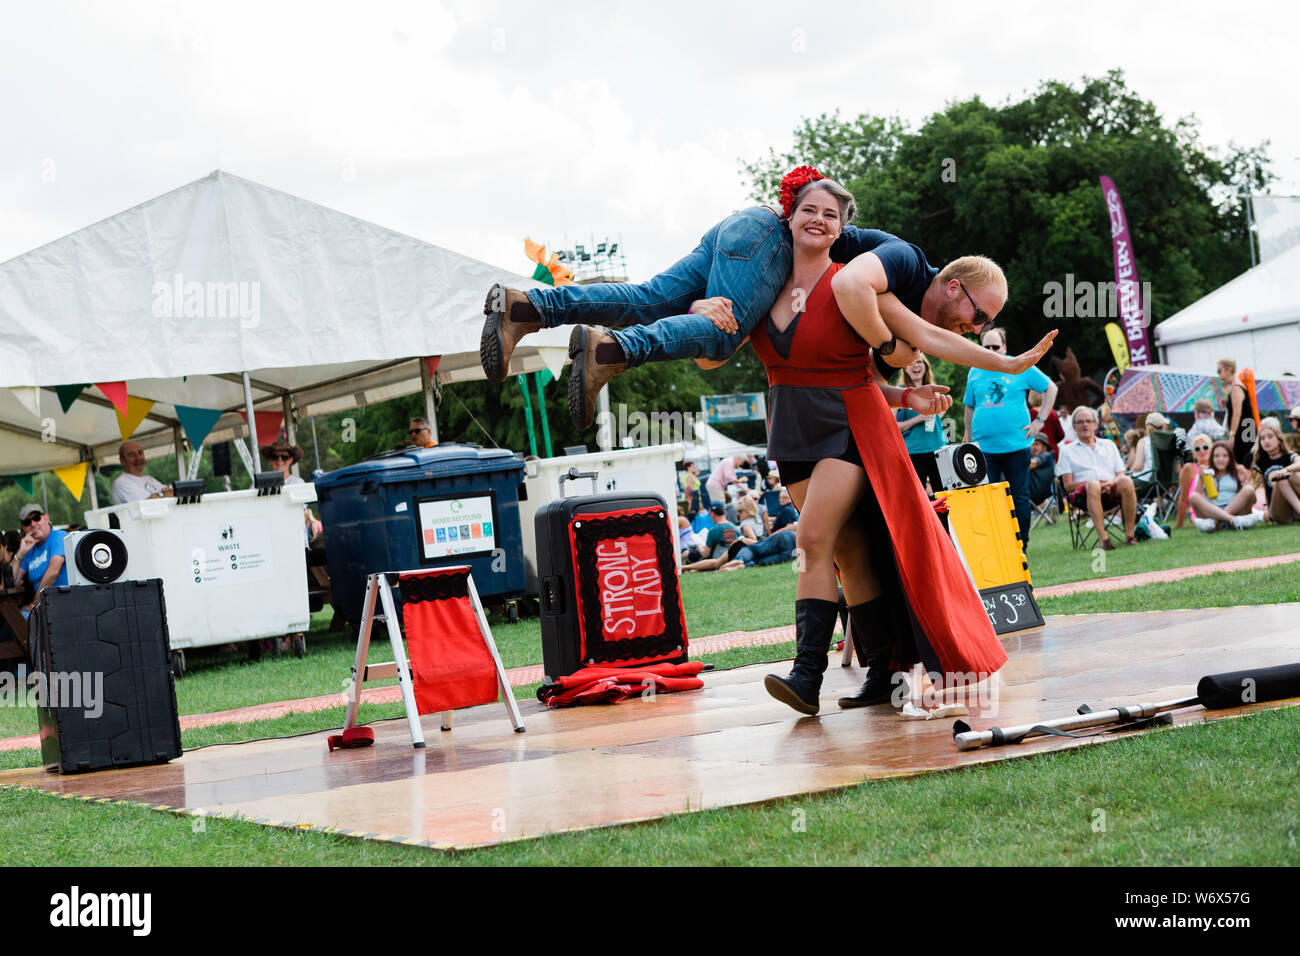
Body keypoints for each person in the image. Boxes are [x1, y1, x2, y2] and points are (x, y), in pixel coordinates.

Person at [696, 172, 1019, 715]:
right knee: (849, 552)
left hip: (849, 429)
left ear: (845, 228)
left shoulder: (860, 284)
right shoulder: (758, 286)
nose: (819, 222)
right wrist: (705, 309)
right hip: (791, 428)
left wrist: (1004, 361)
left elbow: (927, 340)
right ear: (788, 218)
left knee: (812, 539)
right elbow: (710, 358)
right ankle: (883, 674)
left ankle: (806, 677)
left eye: (832, 216)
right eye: (809, 212)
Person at [483, 166, 1056, 429]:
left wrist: (902, 397)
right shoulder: (904, 264)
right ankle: (609, 351)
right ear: (954, 286)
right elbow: (913, 327)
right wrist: (1005, 361)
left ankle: (529, 308)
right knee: (721, 329)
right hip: (764, 239)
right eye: (979, 315)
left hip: (745, 230)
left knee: (649, 298)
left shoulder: (900, 304)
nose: (976, 327)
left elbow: (858, 374)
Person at [963, 326, 1058, 550]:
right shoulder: (975, 370)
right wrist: (968, 435)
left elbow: (1051, 388)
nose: (991, 350)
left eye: (995, 346)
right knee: (989, 500)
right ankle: (998, 547)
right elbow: (969, 406)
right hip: (985, 447)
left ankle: (1020, 547)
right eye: (986, 347)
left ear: (1004, 348)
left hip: (1017, 445)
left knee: (1019, 498)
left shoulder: (1018, 365)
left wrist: (1040, 421)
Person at [1055, 406, 1139, 549]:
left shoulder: (1109, 445)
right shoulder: (1066, 451)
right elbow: (1068, 485)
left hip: (1111, 488)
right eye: (1080, 422)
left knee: (1126, 481)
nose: (1085, 424)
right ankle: (1104, 540)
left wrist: (1111, 482)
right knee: (1093, 484)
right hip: (1083, 494)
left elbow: (1120, 473)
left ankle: (1130, 535)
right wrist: (1093, 483)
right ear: (1074, 427)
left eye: (1088, 421)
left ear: (1095, 424)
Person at [894, 354, 945, 492]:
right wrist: (918, 418)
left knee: (944, 496)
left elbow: (940, 417)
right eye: (912, 362)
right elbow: (892, 427)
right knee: (915, 495)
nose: (916, 365)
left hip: (938, 451)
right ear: (905, 368)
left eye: (919, 362)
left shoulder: (934, 391)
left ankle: (941, 516)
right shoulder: (898, 392)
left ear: (925, 367)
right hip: (913, 453)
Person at [9, 505, 69, 616]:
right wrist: (20, 553)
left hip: (63, 603)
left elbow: (53, 572)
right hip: (45, 608)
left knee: (17, 621)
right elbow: (13, 582)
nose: (32, 524)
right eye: (27, 522)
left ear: (46, 517)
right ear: (23, 528)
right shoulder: (30, 551)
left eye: (36, 518)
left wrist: (34, 605)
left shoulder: (58, 536)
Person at [1188, 439, 1260, 531]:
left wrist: (1243, 482)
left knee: (1249, 489)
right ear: (1212, 458)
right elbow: (1196, 501)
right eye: (1216, 456)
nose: (1220, 459)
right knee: (1193, 496)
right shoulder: (1207, 474)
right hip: (1211, 513)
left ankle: (1216, 522)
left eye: (1225, 456)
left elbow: (1253, 500)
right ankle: (1231, 520)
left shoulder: (1236, 473)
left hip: (1234, 512)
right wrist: (1201, 478)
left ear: (1230, 458)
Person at [1252, 418, 1300, 524]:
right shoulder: (1260, 462)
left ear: (1279, 439)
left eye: (1270, 437)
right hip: (1279, 512)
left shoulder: (1289, 457)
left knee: (1294, 475)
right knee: (1281, 481)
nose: (1266, 441)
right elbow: (1252, 484)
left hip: (1295, 505)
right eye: (1262, 438)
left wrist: (1286, 469)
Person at [1217, 358, 1254, 466]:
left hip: (1245, 429)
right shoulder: (1232, 386)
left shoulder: (1236, 387)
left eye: (1219, 370)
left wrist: (1232, 434)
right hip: (1246, 427)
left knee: (1244, 461)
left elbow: (1237, 413)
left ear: (1228, 370)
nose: (1218, 373)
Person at [1174, 434, 1215, 529]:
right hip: (1199, 512)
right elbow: (1183, 498)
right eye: (1197, 449)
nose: (1201, 451)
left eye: (1205, 447)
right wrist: (1179, 524)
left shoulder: (1218, 466)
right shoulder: (1190, 468)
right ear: (1193, 453)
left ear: (1211, 449)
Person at [1128, 411, 1171, 495]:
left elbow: (1138, 467)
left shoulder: (1144, 442)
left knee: (1121, 487)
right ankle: (1159, 507)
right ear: (1164, 426)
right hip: (1168, 483)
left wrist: (1129, 473)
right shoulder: (1171, 440)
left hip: (1149, 484)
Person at [1027, 436, 1056, 508]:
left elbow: (1031, 464)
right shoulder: (1030, 457)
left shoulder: (1045, 455)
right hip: (1033, 493)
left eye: (1036, 444)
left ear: (1044, 447)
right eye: (1032, 444)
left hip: (1035, 492)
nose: (1033, 447)